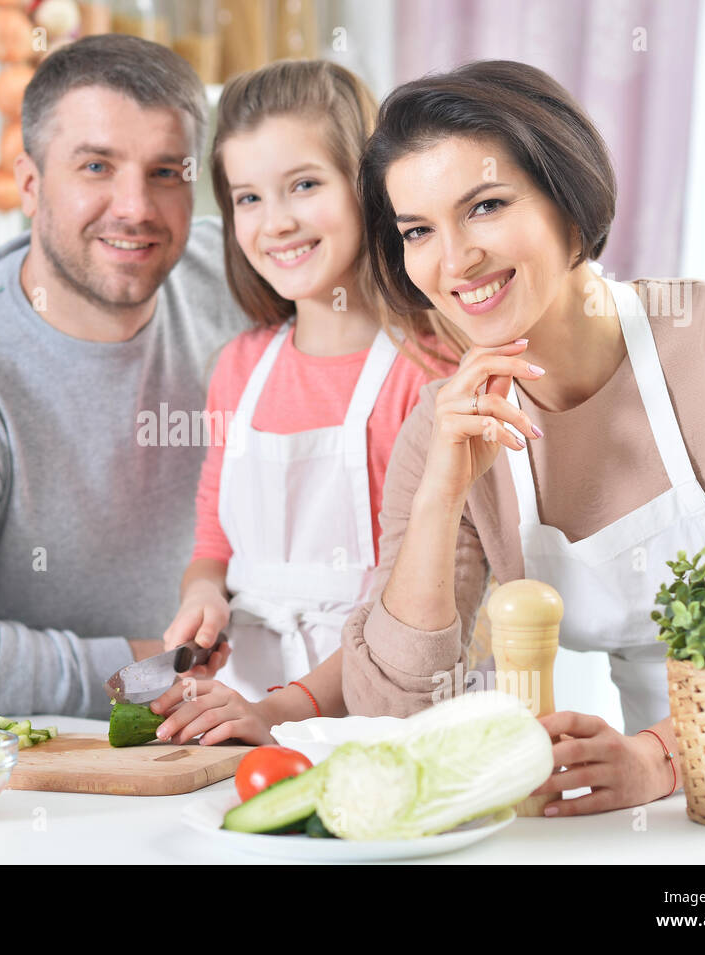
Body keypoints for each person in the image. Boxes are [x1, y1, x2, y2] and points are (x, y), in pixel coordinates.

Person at [336, 59, 705, 815]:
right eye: (418, 230)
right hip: (652, 812)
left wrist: (661, 756)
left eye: (485, 206)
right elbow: (394, 713)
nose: (454, 260)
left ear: (569, 205)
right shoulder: (446, 423)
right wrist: (441, 496)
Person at [0, 34, 241, 720]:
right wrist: (165, 665)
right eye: (97, 166)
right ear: (30, 186)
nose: (135, 207)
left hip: (245, 730)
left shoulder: (246, 278)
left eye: (165, 172)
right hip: (40, 776)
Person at [151, 61, 453, 743]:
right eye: (249, 198)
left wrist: (280, 711)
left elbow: (416, 605)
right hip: (251, 713)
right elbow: (213, 539)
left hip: (392, 721)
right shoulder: (239, 368)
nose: (277, 222)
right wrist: (204, 594)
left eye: (305, 185)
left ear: (371, 187)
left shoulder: (430, 372)